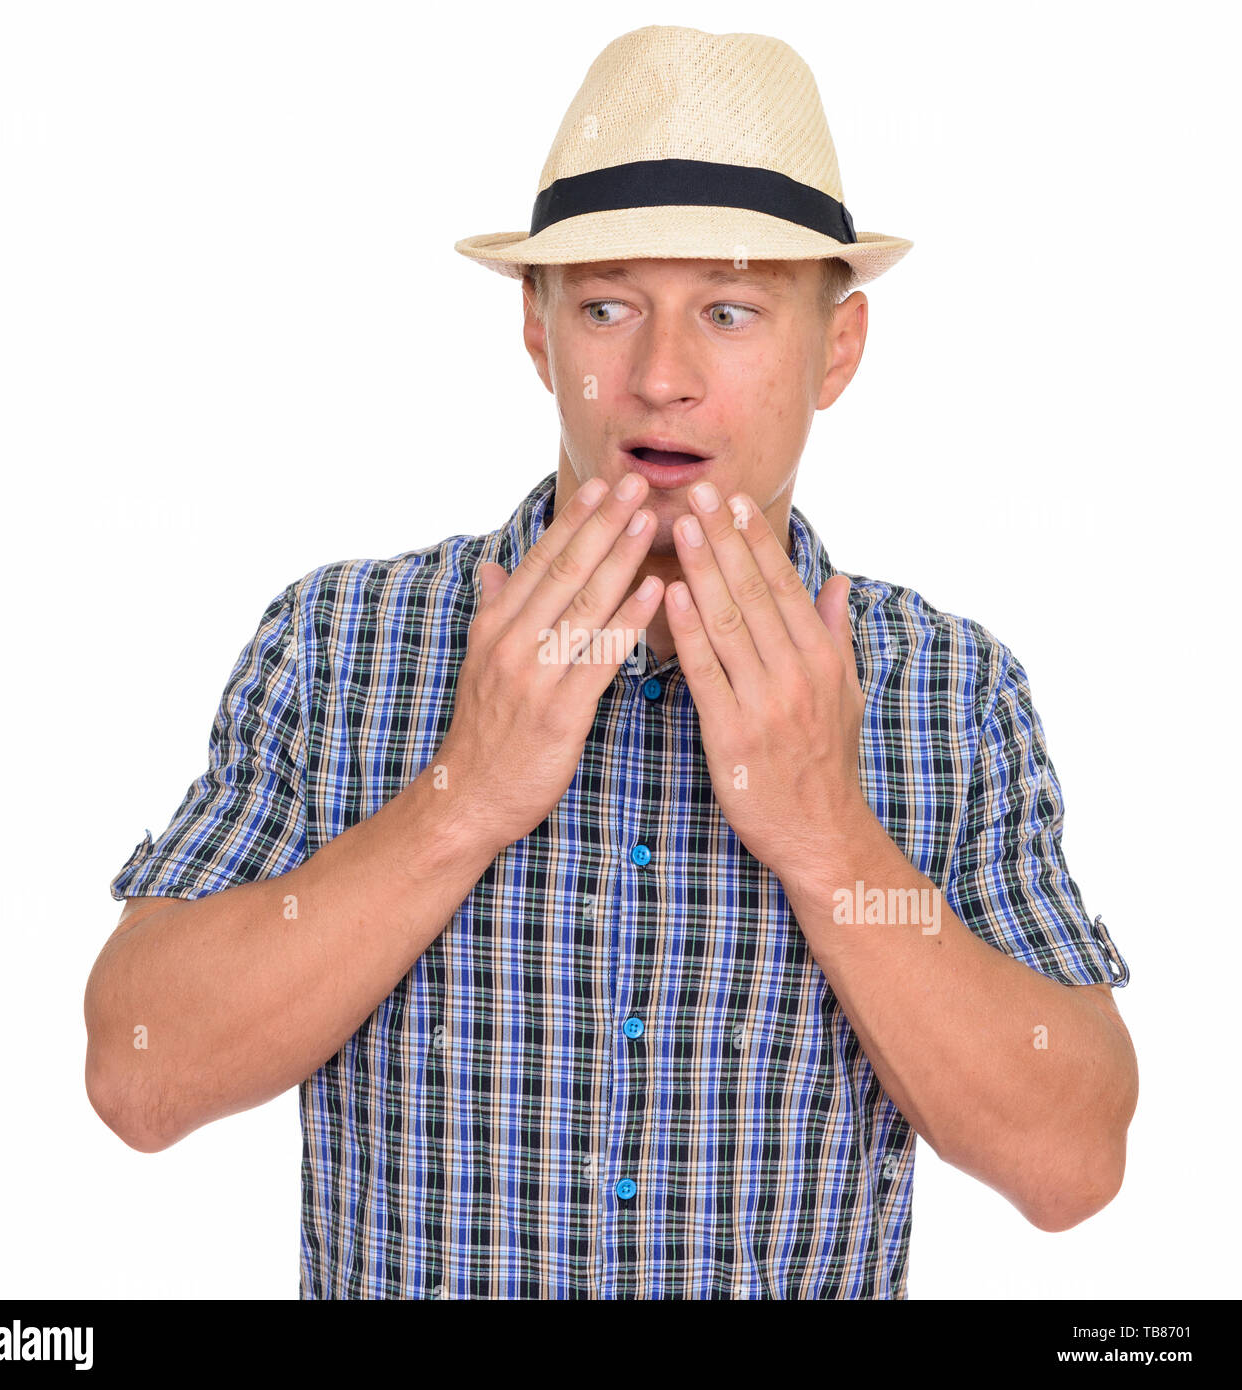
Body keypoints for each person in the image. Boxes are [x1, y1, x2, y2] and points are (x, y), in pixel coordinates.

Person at [85, 24, 1136, 1299]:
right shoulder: (336, 638)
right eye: (605, 306)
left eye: (731, 311)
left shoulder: (948, 689)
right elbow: (136, 1068)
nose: (660, 378)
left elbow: (1074, 1156)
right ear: (537, 334)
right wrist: (460, 798)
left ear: (837, 350)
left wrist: (827, 837)